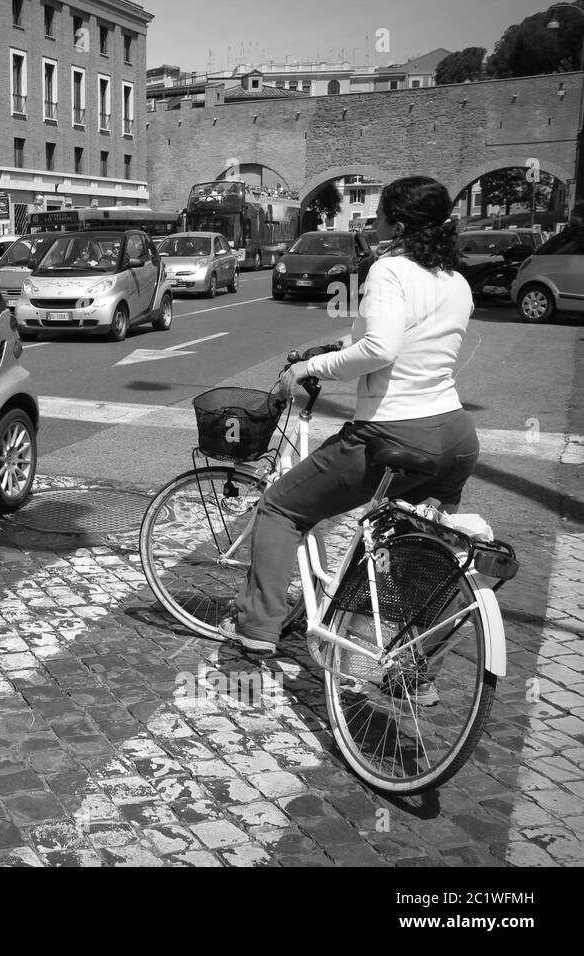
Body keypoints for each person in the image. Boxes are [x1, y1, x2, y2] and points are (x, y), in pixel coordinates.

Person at [223, 176, 481, 680]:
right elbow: (404, 335)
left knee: (279, 507)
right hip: (455, 435)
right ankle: (412, 671)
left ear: (398, 225)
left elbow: (381, 351)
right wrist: (338, 342)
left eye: (380, 215)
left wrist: (308, 369)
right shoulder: (455, 280)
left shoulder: (389, 269)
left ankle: (257, 629)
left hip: (393, 433)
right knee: (426, 554)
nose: (374, 223)